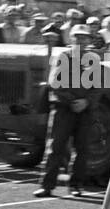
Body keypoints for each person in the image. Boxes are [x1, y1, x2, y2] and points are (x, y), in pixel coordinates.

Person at [35, 27, 101, 198]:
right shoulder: (63, 57)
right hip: (64, 109)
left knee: (82, 149)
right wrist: (71, 101)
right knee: (55, 148)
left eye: (84, 38)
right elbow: (55, 84)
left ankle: (76, 185)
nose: (81, 41)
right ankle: (47, 185)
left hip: (85, 110)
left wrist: (86, 102)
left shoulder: (94, 59)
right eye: (77, 38)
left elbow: (99, 87)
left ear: (89, 40)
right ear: (72, 39)